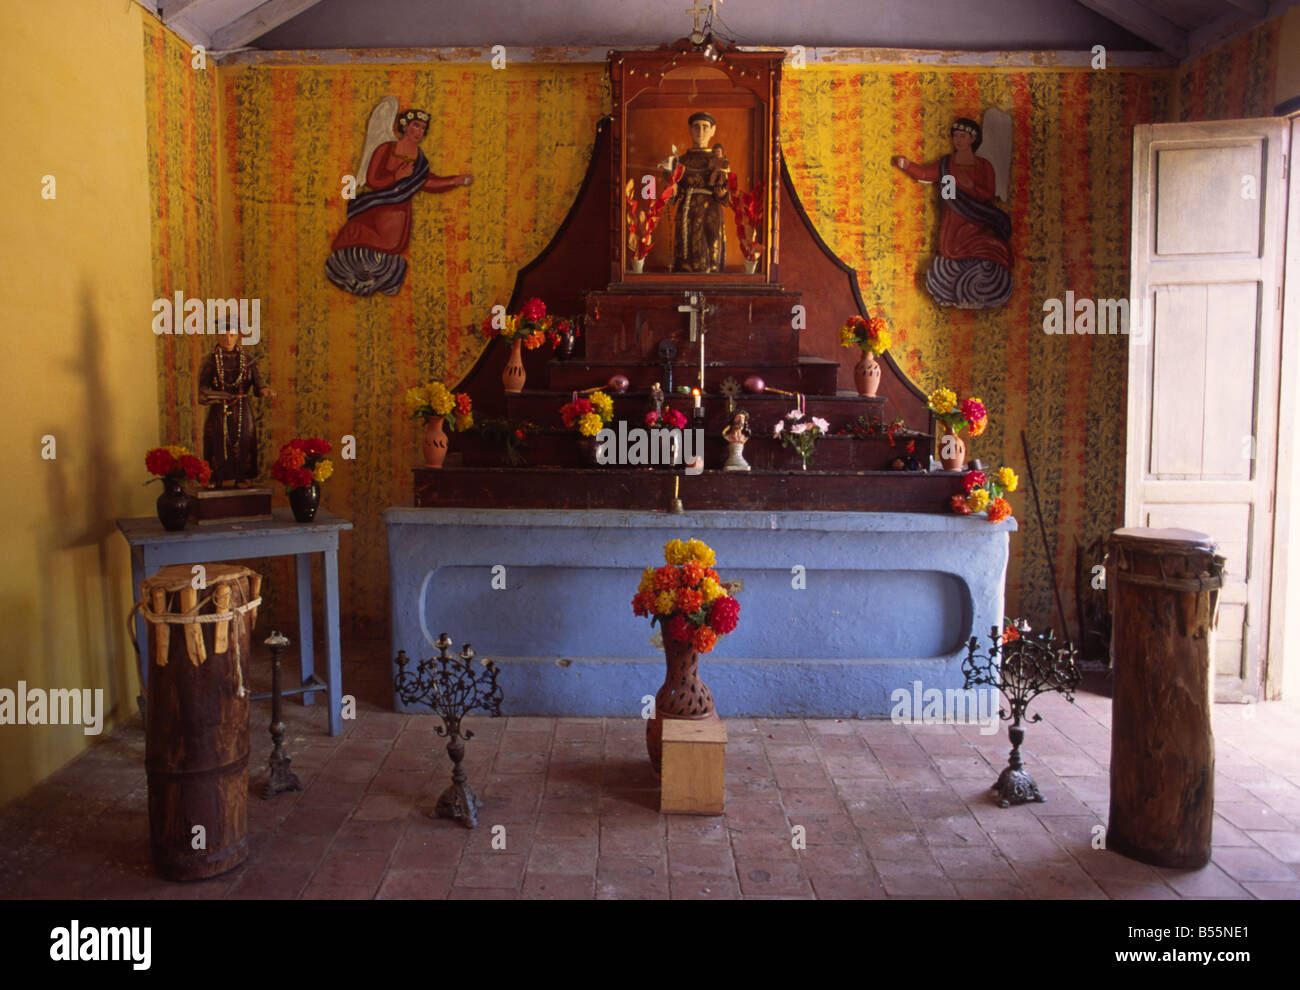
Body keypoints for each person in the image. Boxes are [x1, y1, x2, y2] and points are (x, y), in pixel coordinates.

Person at [326, 108, 472, 296]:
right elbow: (373, 180)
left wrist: (455, 180)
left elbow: (425, 181)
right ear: (405, 126)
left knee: (389, 251)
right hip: (377, 210)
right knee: (365, 247)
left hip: (399, 215)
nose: (419, 131)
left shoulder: (420, 159)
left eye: (423, 128)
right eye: (416, 126)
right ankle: (355, 279)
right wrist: (396, 176)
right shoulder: (386, 149)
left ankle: (378, 281)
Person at [893, 118, 1012, 309]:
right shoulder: (946, 164)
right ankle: (953, 286)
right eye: (955, 136)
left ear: (972, 139)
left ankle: (985, 277)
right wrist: (907, 165)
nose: (958, 139)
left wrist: (966, 184)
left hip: (974, 216)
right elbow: (924, 174)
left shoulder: (983, 166)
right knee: (948, 248)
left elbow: (988, 193)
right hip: (952, 215)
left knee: (974, 245)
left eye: (962, 136)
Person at [198, 326, 276, 487]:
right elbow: (203, 388)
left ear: (238, 336)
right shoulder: (211, 360)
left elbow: (259, 385)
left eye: (231, 335)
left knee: (245, 439)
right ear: (217, 336)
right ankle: (215, 477)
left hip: (242, 407)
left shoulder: (247, 359)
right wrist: (218, 396)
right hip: (219, 408)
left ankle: (242, 477)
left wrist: (264, 390)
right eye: (223, 335)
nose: (227, 339)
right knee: (216, 439)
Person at [668, 112, 731, 273]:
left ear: (713, 130)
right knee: (686, 259)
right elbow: (673, 197)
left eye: (705, 127)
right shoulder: (679, 161)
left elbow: (726, 197)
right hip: (687, 214)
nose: (700, 132)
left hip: (711, 214)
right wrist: (672, 191)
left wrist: (722, 192)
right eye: (696, 127)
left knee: (711, 258)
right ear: (689, 130)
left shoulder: (720, 160)